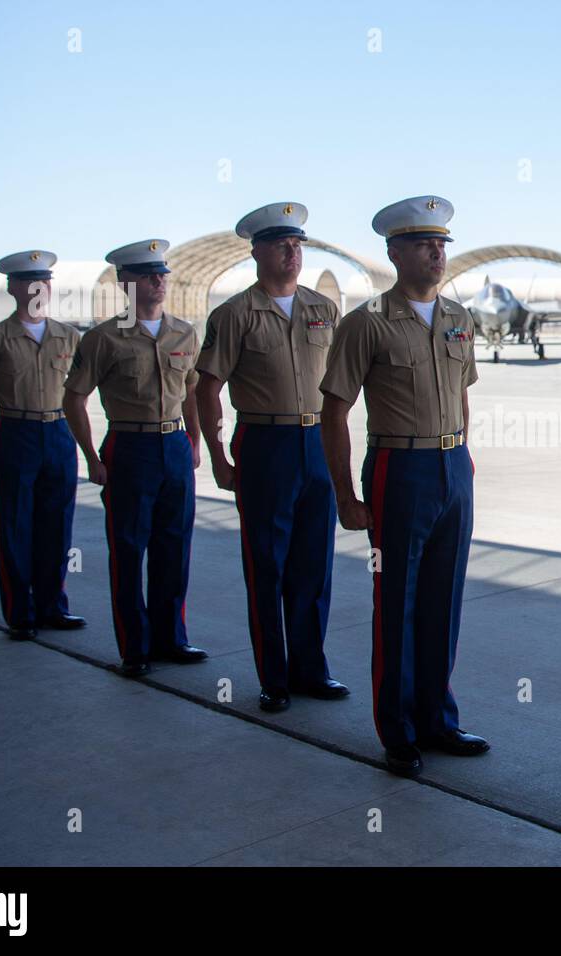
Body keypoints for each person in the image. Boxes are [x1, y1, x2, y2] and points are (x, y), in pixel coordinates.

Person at [320, 195, 488, 778]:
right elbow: (335, 411)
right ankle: (399, 730)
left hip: (451, 469)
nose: (436, 254)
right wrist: (346, 495)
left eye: (442, 244)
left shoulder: (458, 319)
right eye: (423, 243)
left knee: (444, 601)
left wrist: (462, 458)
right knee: (398, 602)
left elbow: (463, 391)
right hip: (399, 469)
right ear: (394, 252)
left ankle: (438, 717)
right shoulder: (366, 323)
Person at [195, 203, 348, 711]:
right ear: (257, 251)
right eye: (281, 243)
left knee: (314, 565)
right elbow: (208, 388)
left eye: (298, 243)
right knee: (267, 565)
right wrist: (217, 453)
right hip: (264, 444)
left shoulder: (323, 309)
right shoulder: (234, 315)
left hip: (316, 444)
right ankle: (274, 677)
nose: (292, 251)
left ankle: (311, 670)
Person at [63, 239, 208, 678]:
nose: (158, 282)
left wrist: (195, 442)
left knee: (174, 546)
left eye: (162, 274)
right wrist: (90, 455)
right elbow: (74, 398)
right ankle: (135, 647)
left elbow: (191, 393)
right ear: (126, 282)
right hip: (129, 448)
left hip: (174, 447)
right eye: (148, 275)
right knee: (128, 549)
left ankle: (171, 639)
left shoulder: (184, 332)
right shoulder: (103, 338)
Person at [0, 251, 85, 641]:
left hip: (59, 433)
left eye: (44, 281)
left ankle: (53, 606)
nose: (38, 288)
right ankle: (21, 613)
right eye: (29, 282)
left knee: (57, 525)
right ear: (12, 288)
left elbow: (82, 392)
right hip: (16, 433)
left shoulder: (69, 335)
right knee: (15, 523)